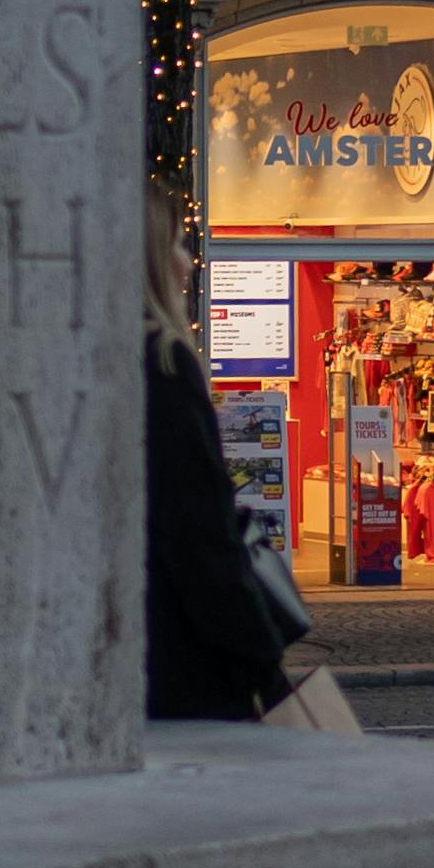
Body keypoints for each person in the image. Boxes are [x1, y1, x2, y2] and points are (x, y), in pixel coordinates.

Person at [143, 181, 292, 721]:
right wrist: (262, 663)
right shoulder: (164, 365)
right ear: (153, 259)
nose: (187, 264)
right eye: (180, 245)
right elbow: (202, 535)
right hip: (187, 666)